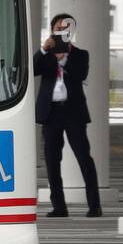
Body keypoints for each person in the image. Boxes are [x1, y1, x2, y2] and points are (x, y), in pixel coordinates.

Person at [33, 13, 102, 217]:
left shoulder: (81, 54)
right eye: (58, 29)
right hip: (51, 112)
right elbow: (34, 70)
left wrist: (63, 61)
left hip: (74, 113)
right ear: (53, 30)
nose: (62, 32)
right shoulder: (46, 54)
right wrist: (44, 50)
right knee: (52, 161)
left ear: (71, 32)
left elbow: (81, 75)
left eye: (66, 29)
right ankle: (59, 206)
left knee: (84, 158)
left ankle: (94, 205)